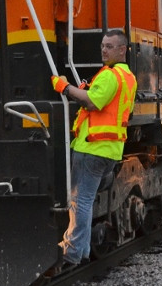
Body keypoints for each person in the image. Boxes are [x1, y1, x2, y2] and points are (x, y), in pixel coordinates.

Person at [50, 29, 137, 269]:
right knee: (84, 199)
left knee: (80, 200)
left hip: (93, 147)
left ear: (122, 49)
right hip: (109, 148)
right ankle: (84, 250)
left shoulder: (110, 75)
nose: (103, 50)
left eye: (109, 46)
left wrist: (64, 87)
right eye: (102, 46)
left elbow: (91, 102)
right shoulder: (128, 76)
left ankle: (72, 251)